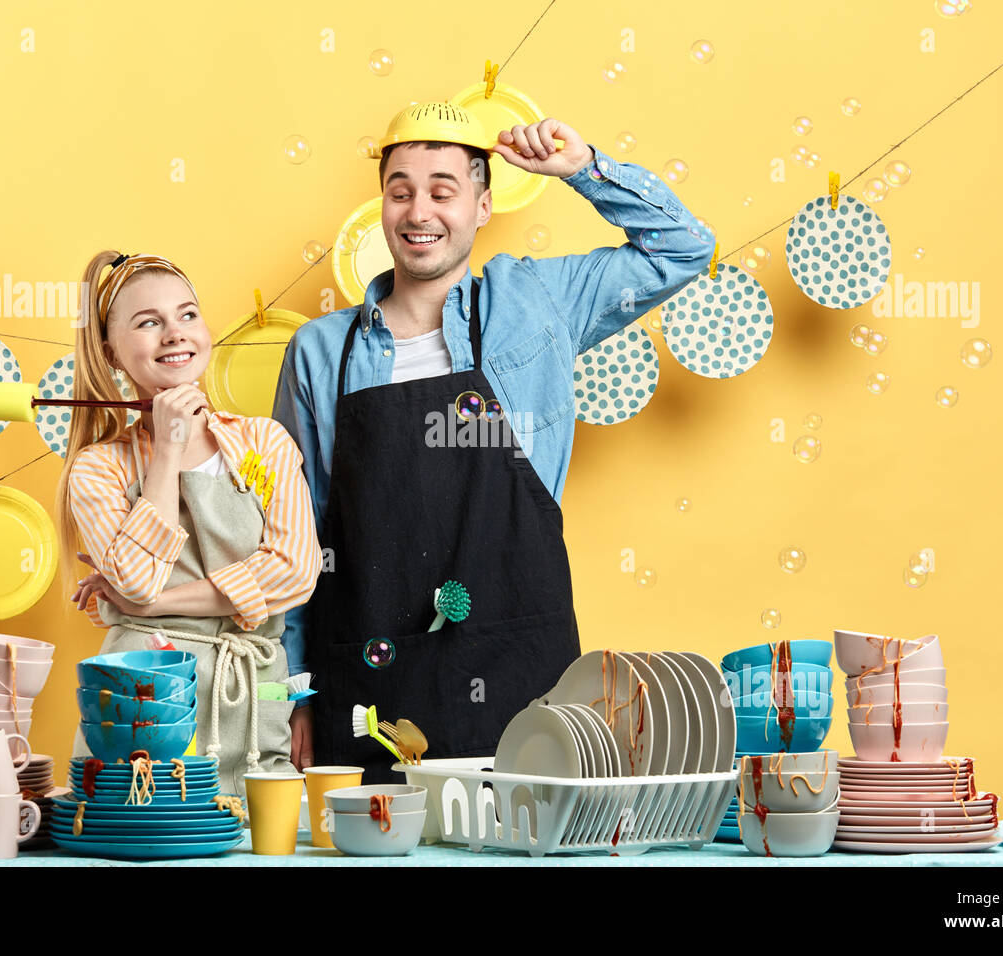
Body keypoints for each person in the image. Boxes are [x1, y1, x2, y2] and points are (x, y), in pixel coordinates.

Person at [272, 103, 716, 782]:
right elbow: (293, 537)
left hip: (519, 672)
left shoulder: (536, 301)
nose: (420, 211)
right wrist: (294, 694)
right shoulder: (320, 351)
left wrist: (582, 168)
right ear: (382, 206)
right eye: (400, 192)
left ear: (482, 205)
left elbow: (685, 248)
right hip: (366, 687)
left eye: (443, 190)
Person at [56, 251, 322, 797]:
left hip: (251, 694)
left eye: (187, 315)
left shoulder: (264, 441)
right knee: (140, 835)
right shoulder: (98, 467)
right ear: (112, 354)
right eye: (149, 322)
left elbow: (296, 572)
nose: (174, 334)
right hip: (145, 700)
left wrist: (149, 607)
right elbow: (133, 578)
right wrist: (168, 449)